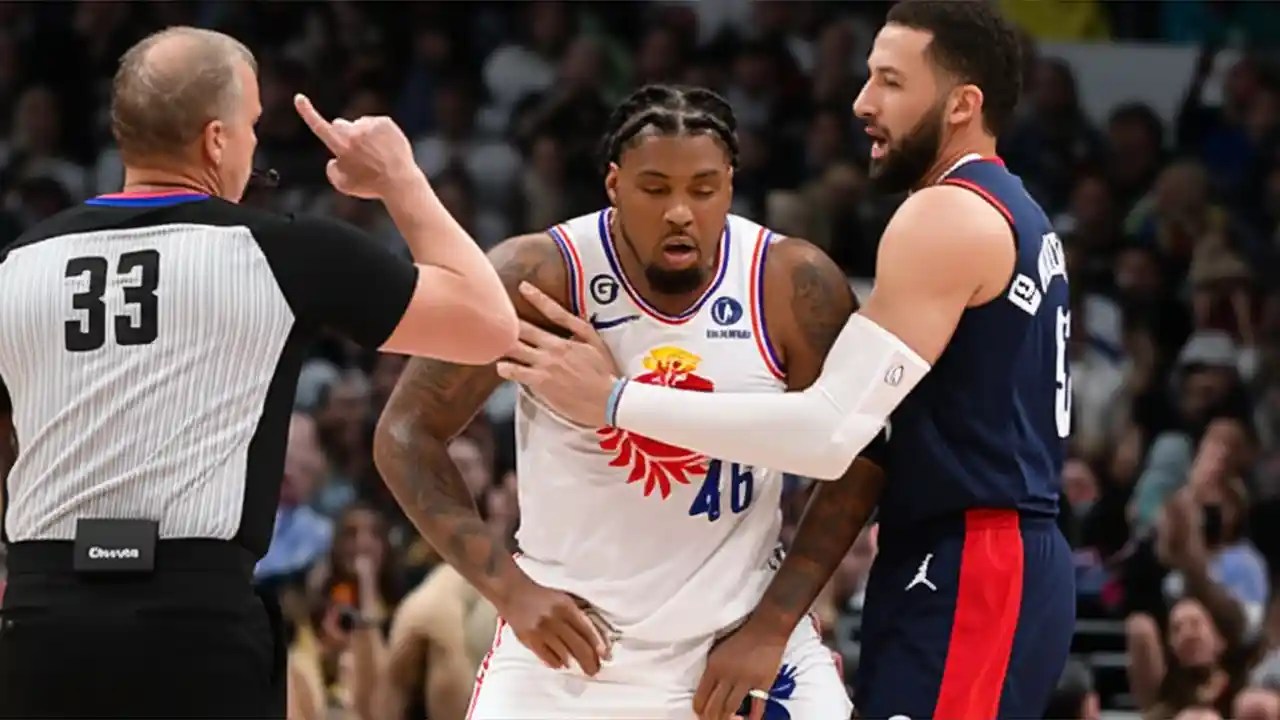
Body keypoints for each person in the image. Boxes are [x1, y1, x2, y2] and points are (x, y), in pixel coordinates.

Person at [499, 1, 1075, 717]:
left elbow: (829, 435)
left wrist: (613, 402)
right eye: (868, 78)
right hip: (974, 552)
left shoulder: (944, 216)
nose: (864, 103)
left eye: (891, 83)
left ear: (962, 104)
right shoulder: (1010, 209)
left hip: (976, 558)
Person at [0, 26, 515, 719]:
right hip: (192, 626)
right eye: (249, 127)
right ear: (216, 141)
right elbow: (487, 324)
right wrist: (399, 178)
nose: (252, 147)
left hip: (38, 620)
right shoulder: (276, 251)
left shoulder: (16, 265)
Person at [373, 83, 885, 720]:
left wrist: (775, 623)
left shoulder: (789, 282)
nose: (680, 211)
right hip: (572, 650)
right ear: (613, 184)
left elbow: (863, 453)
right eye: (655, 188)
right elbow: (405, 433)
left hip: (735, 640)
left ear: (729, 184)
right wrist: (511, 591)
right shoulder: (541, 275)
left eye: (703, 189)